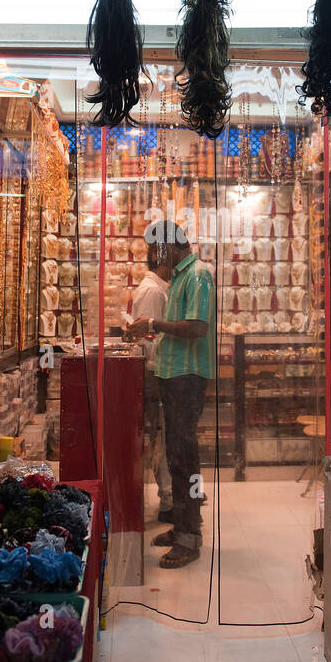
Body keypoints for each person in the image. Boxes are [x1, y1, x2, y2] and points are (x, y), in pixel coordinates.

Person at [126, 221, 215, 568]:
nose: (156, 256)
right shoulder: (179, 276)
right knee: (176, 457)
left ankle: (190, 536)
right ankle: (181, 526)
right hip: (172, 374)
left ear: (173, 246)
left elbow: (197, 327)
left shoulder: (197, 276)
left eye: (159, 248)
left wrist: (152, 324)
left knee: (184, 457)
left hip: (187, 376)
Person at [129, 240, 172, 522]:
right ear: (162, 261)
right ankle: (168, 496)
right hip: (157, 374)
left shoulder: (157, 289)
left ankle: (170, 495)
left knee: (165, 437)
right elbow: (147, 339)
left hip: (160, 373)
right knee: (161, 437)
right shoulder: (152, 292)